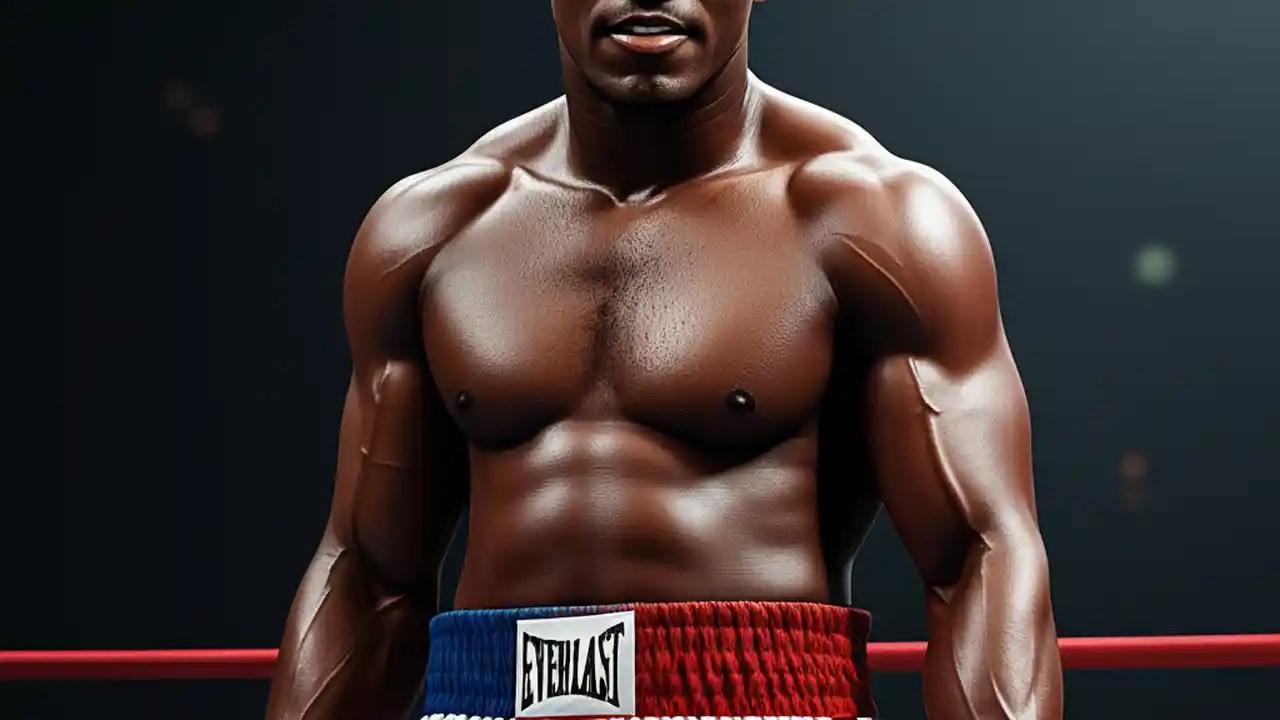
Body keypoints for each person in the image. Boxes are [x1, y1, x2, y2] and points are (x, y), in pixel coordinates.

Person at [265, 1, 1063, 718]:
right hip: (482, 696)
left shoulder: (875, 218)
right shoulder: (434, 225)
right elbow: (370, 577)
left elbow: (979, 558)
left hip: (763, 693)